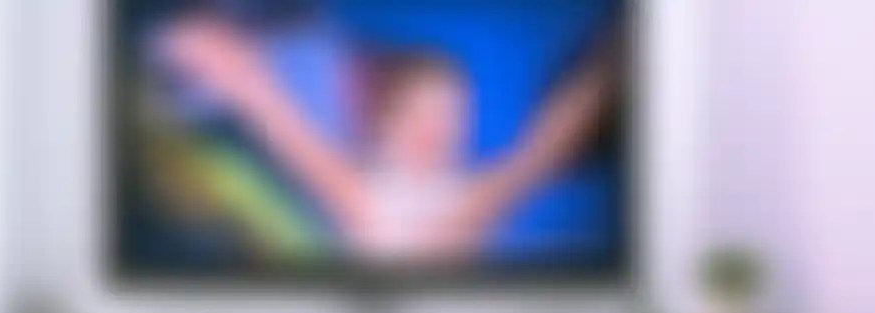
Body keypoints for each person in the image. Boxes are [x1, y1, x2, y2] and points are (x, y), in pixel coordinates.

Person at [158, 14, 619, 266]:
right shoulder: (370, 194)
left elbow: (544, 148)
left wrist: (605, 71)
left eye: (448, 119)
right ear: (382, 123)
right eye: (417, 115)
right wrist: (237, 73)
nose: (432, 134)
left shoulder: (464, 194)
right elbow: (296, 139)